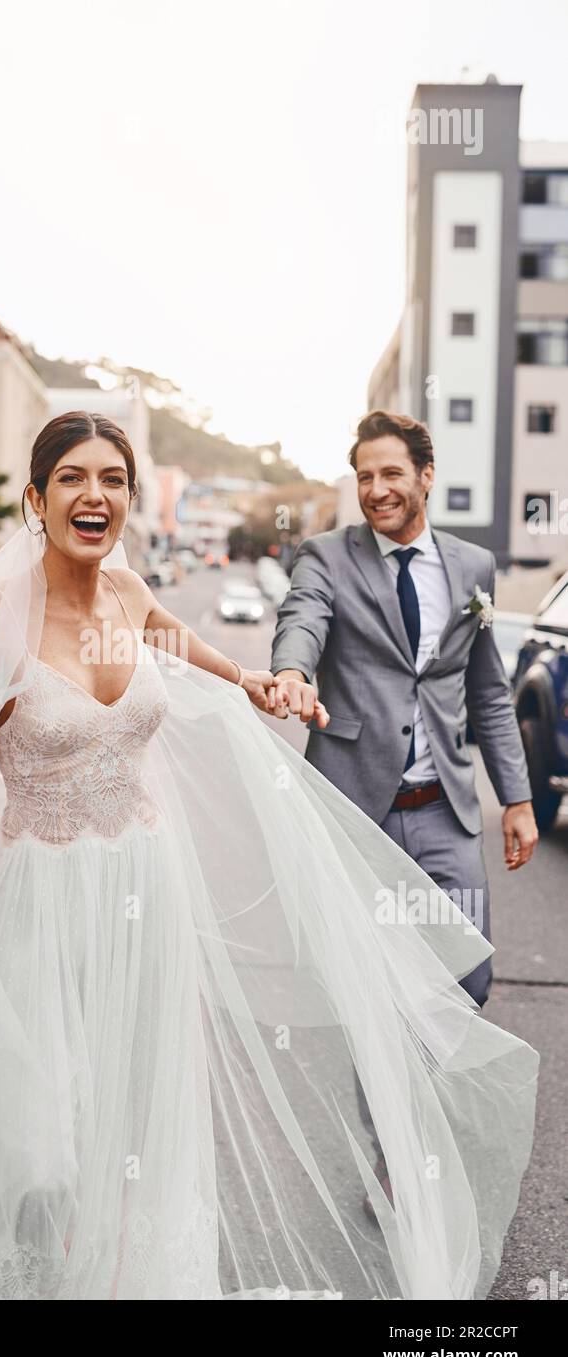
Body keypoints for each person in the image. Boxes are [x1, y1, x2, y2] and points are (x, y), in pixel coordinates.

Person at [0, 411, 538, 1301]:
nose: (96, 495)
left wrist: (261, 683)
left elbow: (181, 648)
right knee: (38, 1149)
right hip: (42, 904)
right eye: (74, 479)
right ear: (35, 500)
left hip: (145, 893)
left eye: (113, 479)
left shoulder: (126, 593)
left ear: (128, 497)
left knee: (133, 1129)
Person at [270, 408, 538, 1213]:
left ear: (425, 475)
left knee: (469, 974)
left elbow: (487, 690)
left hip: (444, 810)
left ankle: (410, 1096)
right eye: (363, 476)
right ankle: (394, 1153)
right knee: (376, 985)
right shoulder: (327, 556)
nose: (376, 490)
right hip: (359, 812)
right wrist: (292, 674)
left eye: (391, 473)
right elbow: (302, 622)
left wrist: (517, 799)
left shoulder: (471, 568)